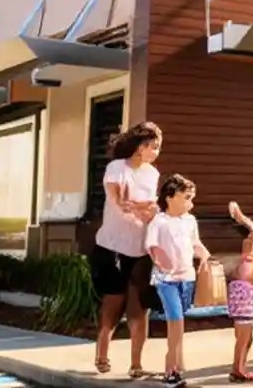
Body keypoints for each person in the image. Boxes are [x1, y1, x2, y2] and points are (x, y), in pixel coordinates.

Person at [91, 121, 162, 378]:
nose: (156, 152)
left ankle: (136, 364)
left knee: (139, 305)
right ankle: (102, 353)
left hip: (141, 248)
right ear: (140, 147)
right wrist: (141, 210)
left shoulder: (152, 174)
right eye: (154, 147)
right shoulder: (116, 168)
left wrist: (148, 210)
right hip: (112, 247)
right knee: (114, 301)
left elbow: (152, 206)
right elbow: (117, 201)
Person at [146, 174, 209, 387]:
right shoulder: (159, 221)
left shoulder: (190, 221)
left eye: (191, 198)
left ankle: (178, 363)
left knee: (179, 319)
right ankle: (170, 369)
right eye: (186, 197)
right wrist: (159, 257)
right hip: (166, 279)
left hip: (186, 277)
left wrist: (206, 255)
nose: (190, 203)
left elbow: (195, 243)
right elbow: (152, 246)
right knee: (176, 321)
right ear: (170, 197)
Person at [225, 201, 253, 383]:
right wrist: (240, 216)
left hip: (244, 291)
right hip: (244, 291)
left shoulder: (251, 247)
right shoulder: (250, 242)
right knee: (244, 335)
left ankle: (239, 367)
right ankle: (238, 369)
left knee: (247, 335)